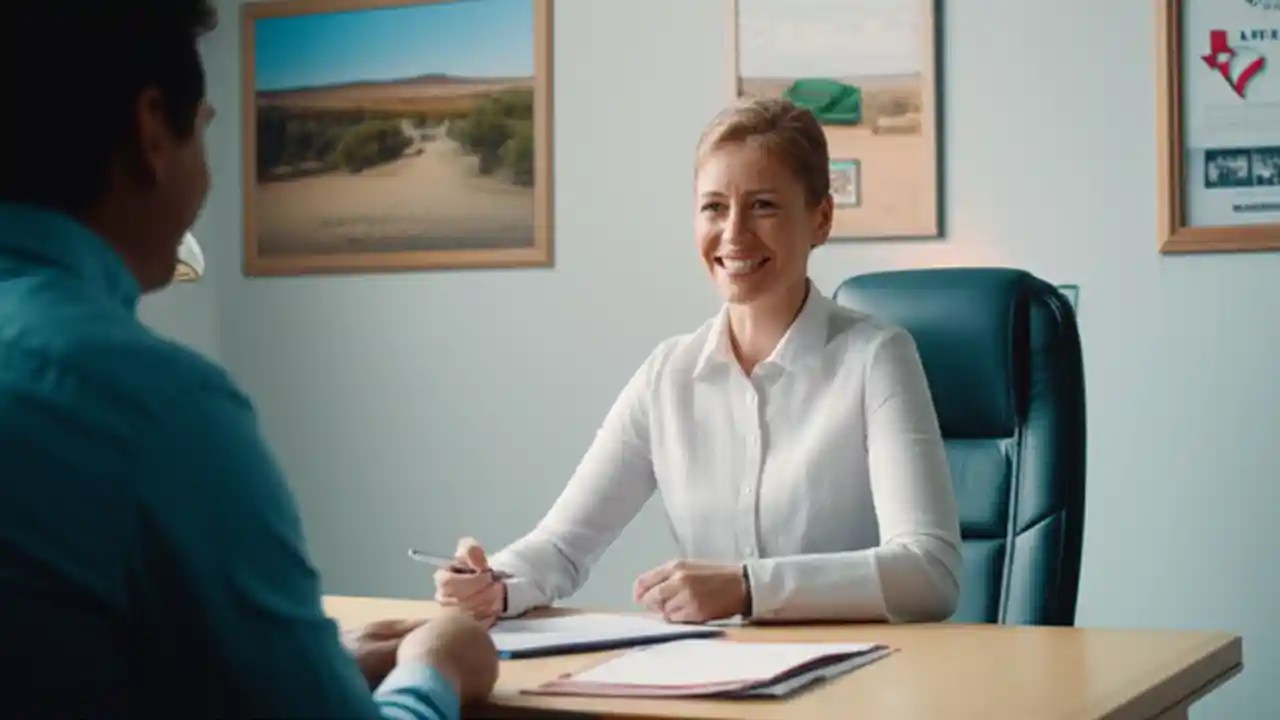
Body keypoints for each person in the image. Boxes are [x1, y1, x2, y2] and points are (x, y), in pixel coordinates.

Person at [0, 3, 497, 718]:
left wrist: (318, 667)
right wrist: (436, 666)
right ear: (150, 132)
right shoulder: (156, 410)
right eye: (203, 130)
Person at [436, 98, 962, 625]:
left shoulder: (876, 358)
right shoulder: (667, 376)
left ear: (821, 219)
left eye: (763, 206)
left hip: (855, 679)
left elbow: (929, 573)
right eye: (714, 207)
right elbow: (562, 547)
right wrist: (490, 584)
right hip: (714, 681)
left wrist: (748, 587)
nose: (733, 234)